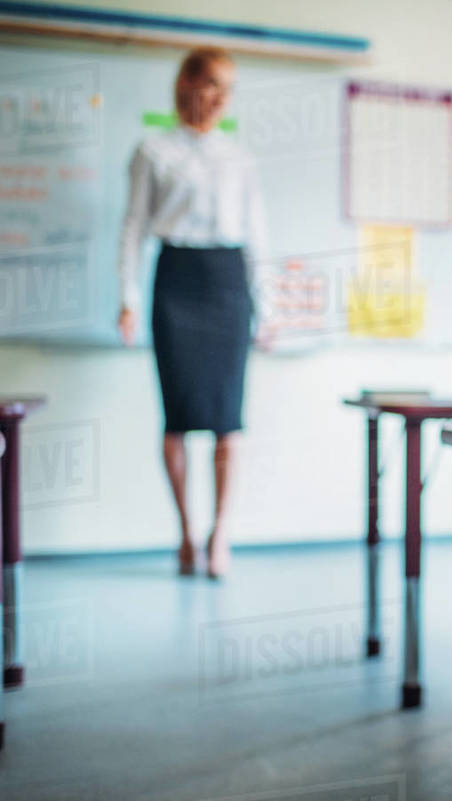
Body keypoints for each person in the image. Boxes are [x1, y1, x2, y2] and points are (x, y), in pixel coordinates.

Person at [117, 47, 267, 579]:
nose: (217, 97)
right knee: (178, 418)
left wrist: (265, 307)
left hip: (227, 285)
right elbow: (133, 226)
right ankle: (185, 531)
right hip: (175, 280)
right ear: (188, 87)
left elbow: (256, 236)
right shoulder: (152, 150)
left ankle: (219, 535)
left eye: (226, 88)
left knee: (228, 420)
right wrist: (128, 298)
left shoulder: (240, 157)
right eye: (210, 85)